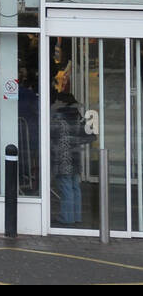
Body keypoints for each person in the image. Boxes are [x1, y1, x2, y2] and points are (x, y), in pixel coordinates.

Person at [50, 91, 93, 226]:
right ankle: (76, 217)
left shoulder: (57, 116)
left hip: (62, 156)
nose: (54, 103)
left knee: (66, 187)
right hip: (75, 155)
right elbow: (90, 136)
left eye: (56, 101)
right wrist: (74, 141)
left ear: (61, 102)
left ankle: (66, 218)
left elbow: (50, 134)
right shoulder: (77, 116)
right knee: (75, 187)